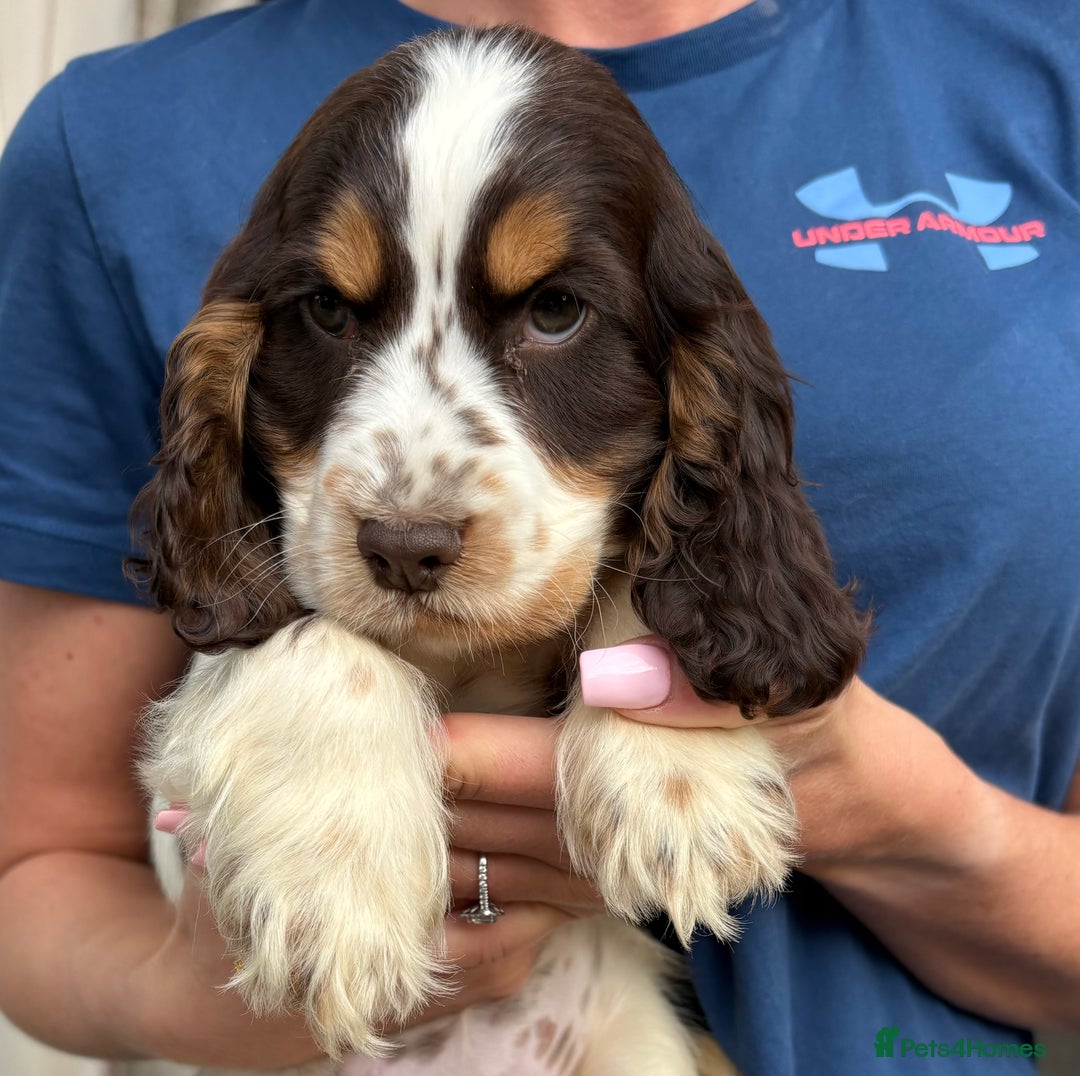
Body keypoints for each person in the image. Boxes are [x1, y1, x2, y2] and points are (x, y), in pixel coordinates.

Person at [0, 1, 1078, 1073]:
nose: (410, 509)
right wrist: (188, 999)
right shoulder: (115, 137)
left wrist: (898, 819)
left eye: (552, 309)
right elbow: (36, 859)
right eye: (331, 315)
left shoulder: (1037, 64)